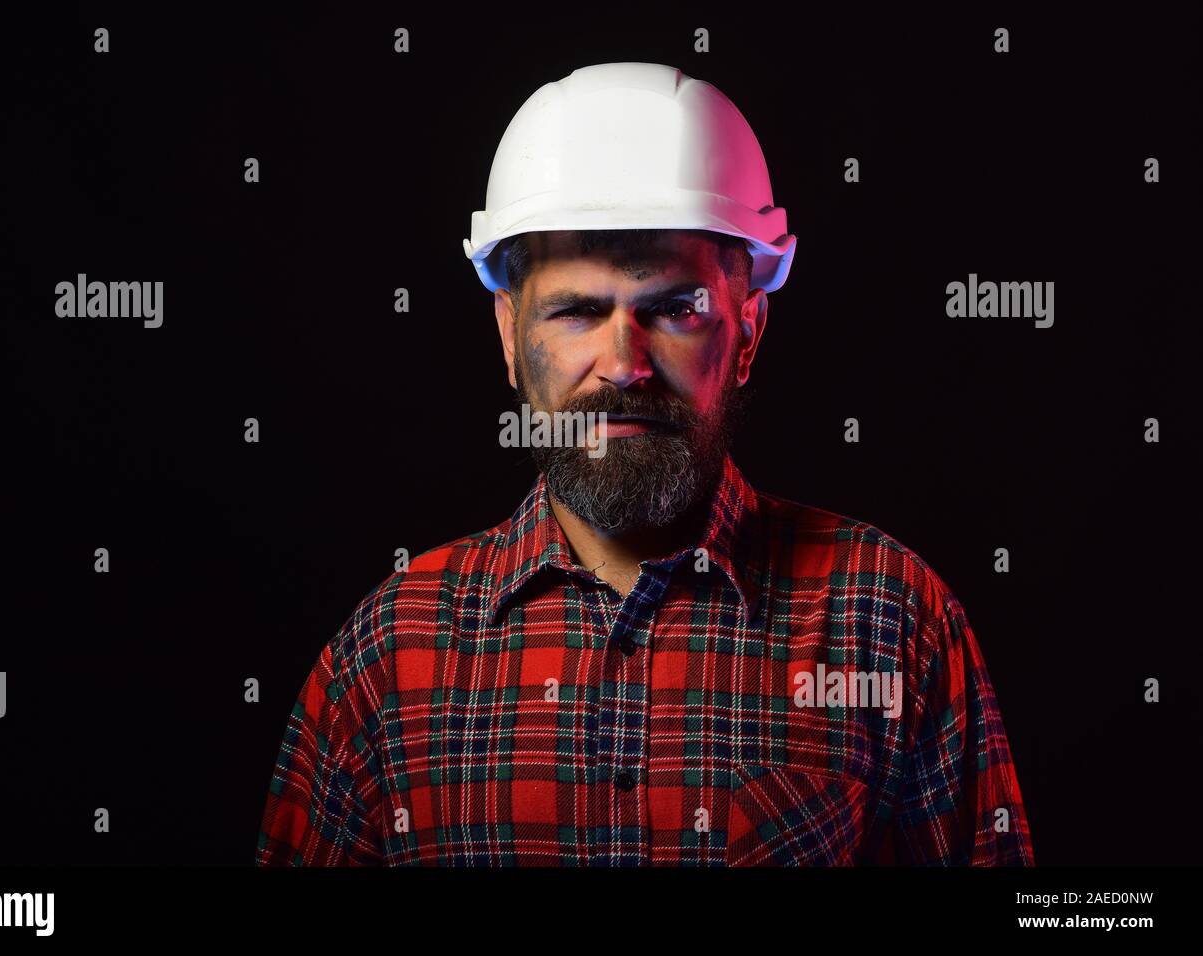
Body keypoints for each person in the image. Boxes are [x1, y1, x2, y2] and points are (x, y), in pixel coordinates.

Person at [255, 62, 1033, 866]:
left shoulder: (890, 623)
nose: (623, 364)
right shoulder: (387, 659)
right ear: (509, 336)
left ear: (748, 330)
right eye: (577, 312)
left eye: (672, 308)